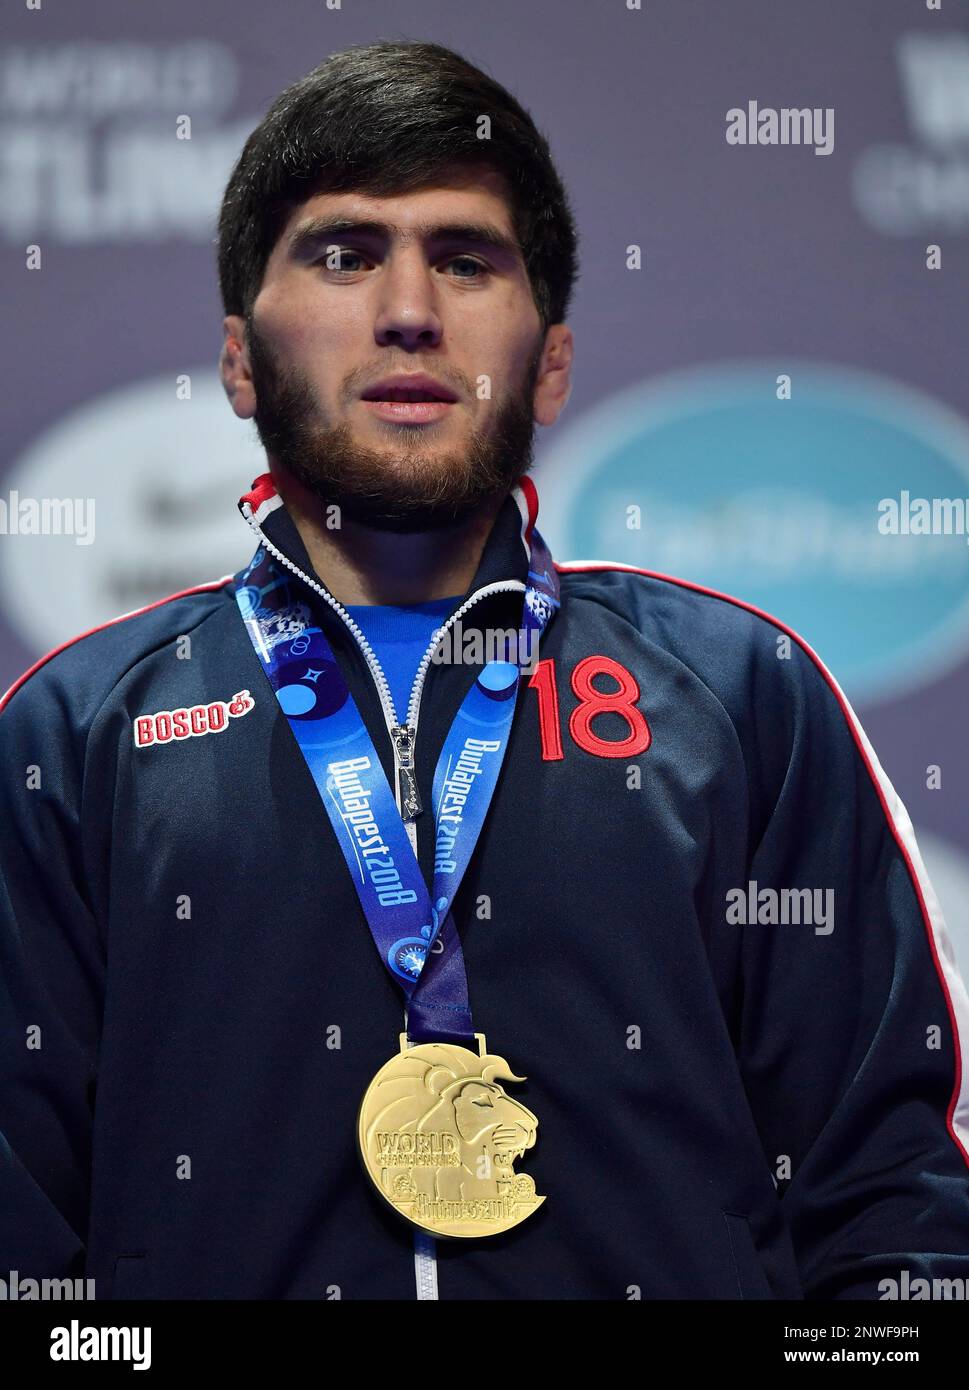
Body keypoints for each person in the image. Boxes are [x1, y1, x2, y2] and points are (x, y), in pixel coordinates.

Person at [1, 37, 967, 1303]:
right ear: (239, 360)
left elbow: (888, 1198)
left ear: (551, 361)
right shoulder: (75, 732)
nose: (409, 308)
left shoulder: (741, 695)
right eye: (345, 254)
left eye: (465, 260)